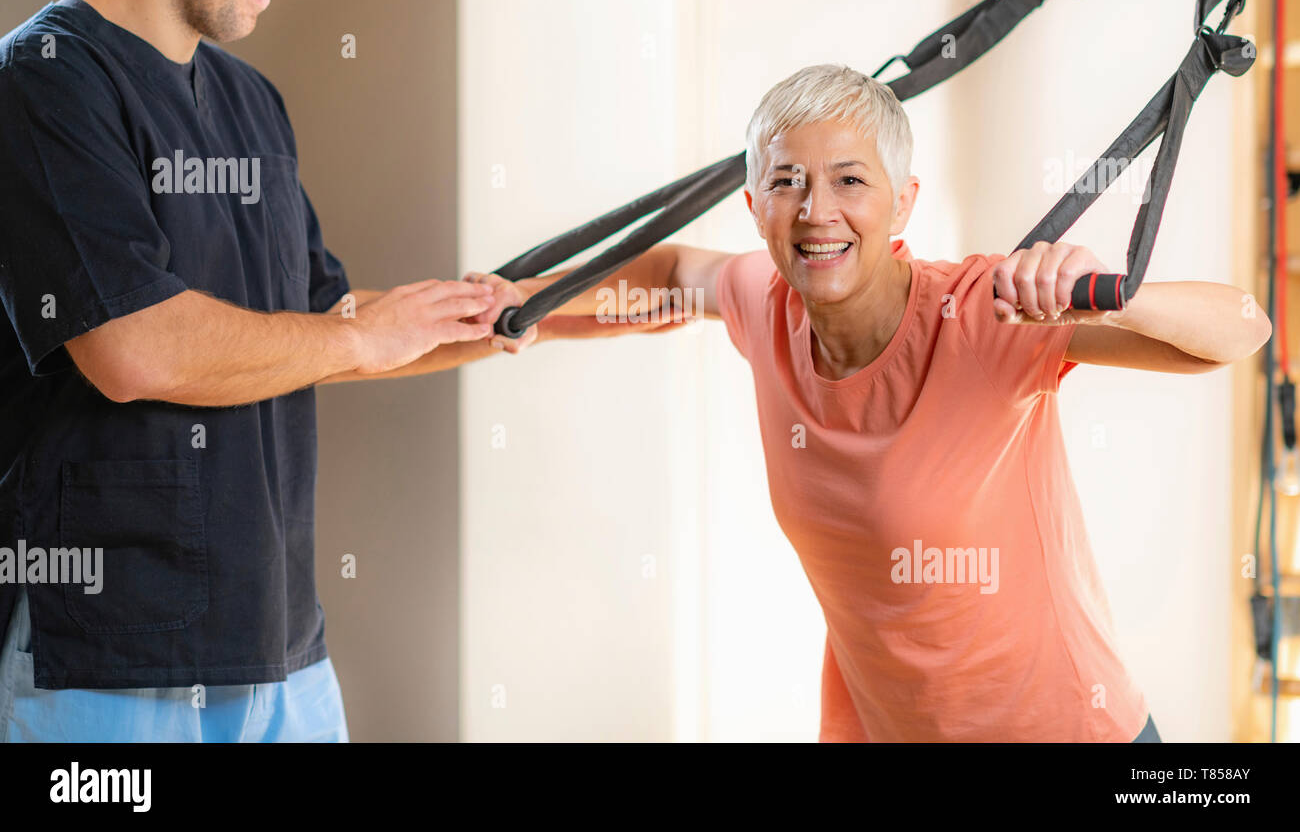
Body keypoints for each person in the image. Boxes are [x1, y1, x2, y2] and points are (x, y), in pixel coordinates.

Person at [495, 62, 1272, 742]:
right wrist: (522, 309)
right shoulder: (763, 304)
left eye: (850, 180)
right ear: (753, 205)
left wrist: (1107, 297)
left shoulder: (982, 313)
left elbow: (1242, 329)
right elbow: (667, 278)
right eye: (786, 181)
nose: (815, 211)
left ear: (903, 204)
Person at [0, 0, 583, 742]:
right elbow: (135, 347)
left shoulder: (251, 104)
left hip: (281, 652)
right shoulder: (43, 82)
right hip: (111, 660)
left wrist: (519, 312)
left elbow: (322, 322)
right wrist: (361, 333)